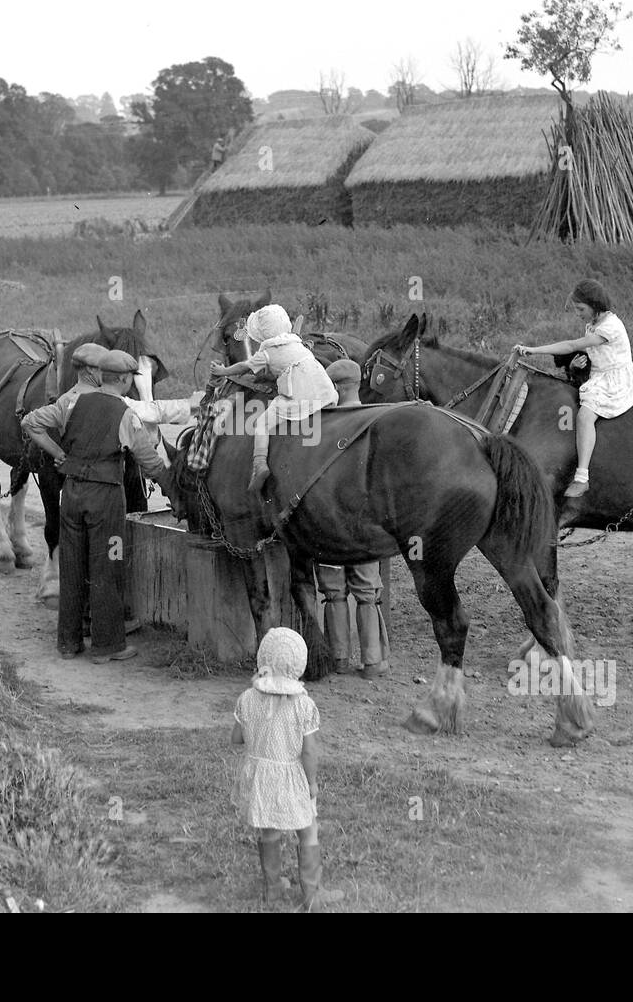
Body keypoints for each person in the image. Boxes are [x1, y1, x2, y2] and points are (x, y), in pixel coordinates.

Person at [23, 349, 168, 662]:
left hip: (71, 495)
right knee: (108, 564)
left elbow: (30, 423)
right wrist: (174, 486)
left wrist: (58, 454)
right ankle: (107, 645)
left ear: (102, 375)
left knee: (72, 566)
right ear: (127, 379)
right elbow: (150, 462)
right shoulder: (126, 414)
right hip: (105, 501)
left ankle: (68, 643)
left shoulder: (70, 402)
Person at [231, 628, 342, 911]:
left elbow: (236, 738)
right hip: (292, 777)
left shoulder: (246, 698)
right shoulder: (303, 705)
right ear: (299, 663)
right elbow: (308, 751)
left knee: (269, 831)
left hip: (260, 777)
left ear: (262, 658)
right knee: (308, 830)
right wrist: (312, 782)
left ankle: (274, 891)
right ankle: (312, 894)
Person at [514, 279, 633, 498]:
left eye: (581, 309)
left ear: (594, 305)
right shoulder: (593, 324)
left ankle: (582, 477)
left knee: (584, 417)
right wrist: (572, 366)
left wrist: (532, 350)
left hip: (614, 380)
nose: (578, 313)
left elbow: (571, 345)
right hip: (599, 376)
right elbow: (589, 354)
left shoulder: (610, 327)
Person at [209, 303, 338, 493]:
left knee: (261, 424)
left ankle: (259, 464)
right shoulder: (295, 342)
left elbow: (243, 367)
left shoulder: (268, 352)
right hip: (322, 386)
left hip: (300, 391)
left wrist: (223, 371)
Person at [315, 359, 390, 678]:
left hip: (329, 523)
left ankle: (338, 660)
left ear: (333, 387)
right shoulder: (377, 420)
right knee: (367, 593)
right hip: (366, 521)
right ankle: (372, 663)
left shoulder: (322, 423)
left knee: (333, 592)